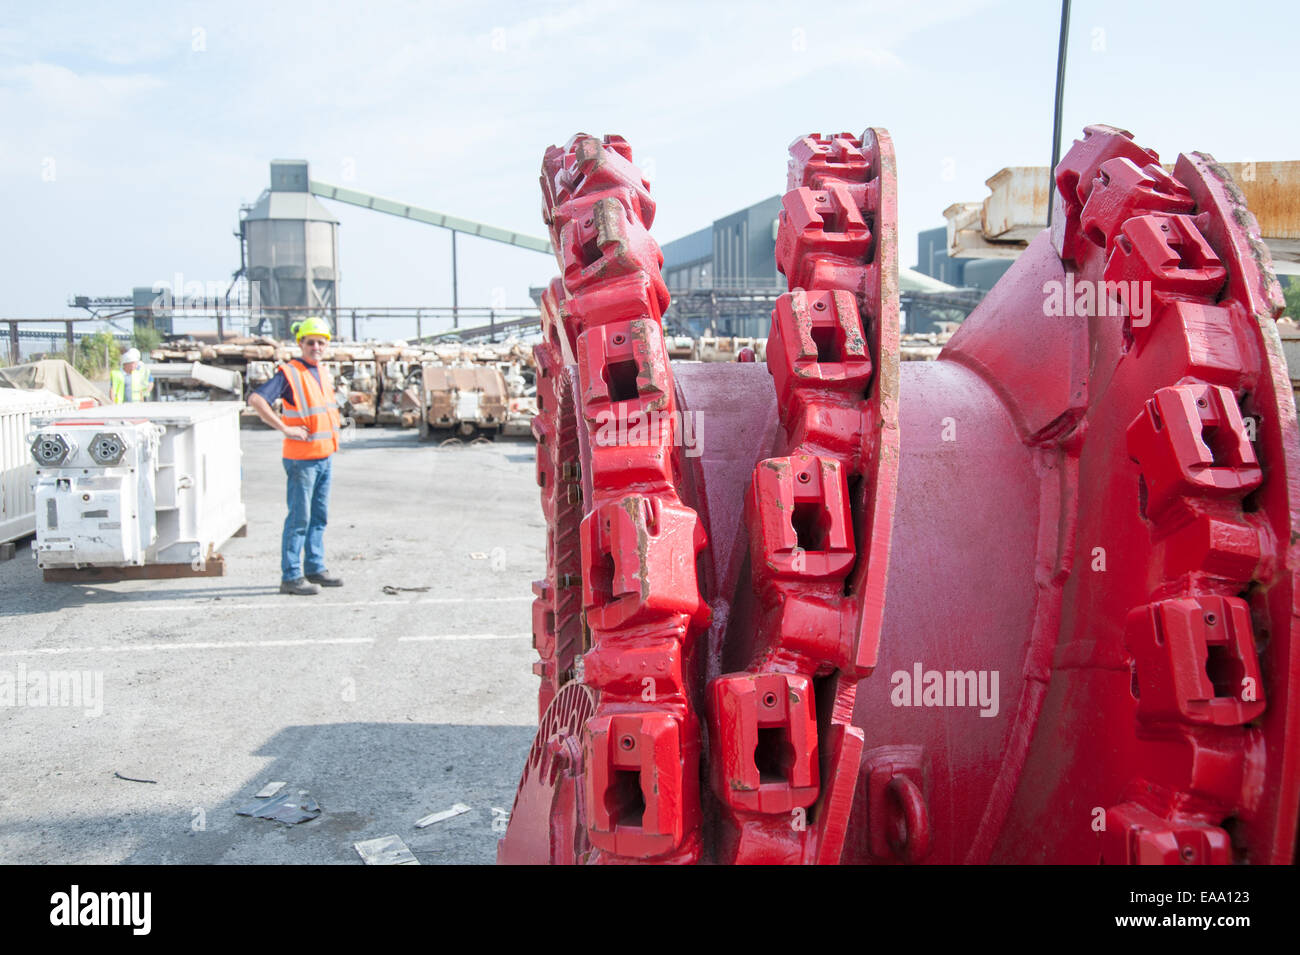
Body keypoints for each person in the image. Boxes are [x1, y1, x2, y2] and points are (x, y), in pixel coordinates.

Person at [247, 317, 344, 596]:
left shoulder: (322, 372)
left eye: (320, 342)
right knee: (299, 519)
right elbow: (257, 400)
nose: (316, 346)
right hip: (302, 459)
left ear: (326, 345)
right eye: (310, 342)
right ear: (300, 343)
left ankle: (314, 567)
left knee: (318, 517)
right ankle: (291, 576)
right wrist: (285, 428)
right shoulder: (290, 373)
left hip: (323, 457)